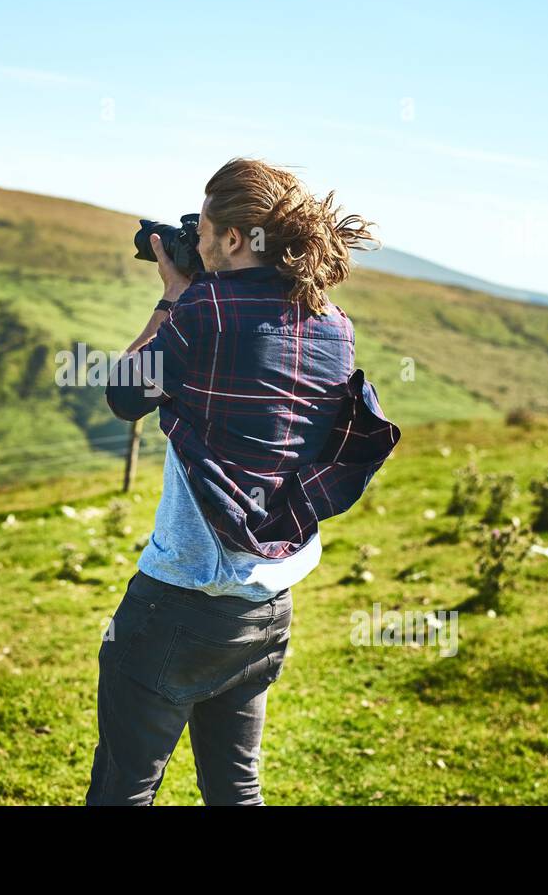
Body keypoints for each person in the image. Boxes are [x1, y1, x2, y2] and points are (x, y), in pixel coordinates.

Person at [86, 157, 401, 805]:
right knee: (235, 789)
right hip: (268, 604)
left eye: (203, 224)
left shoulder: (208, 310)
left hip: (179, 600)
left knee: (123, 790)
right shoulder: (331, 322)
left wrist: (173, 294)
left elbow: (122, 394)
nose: (196, 236)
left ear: (232, 239)